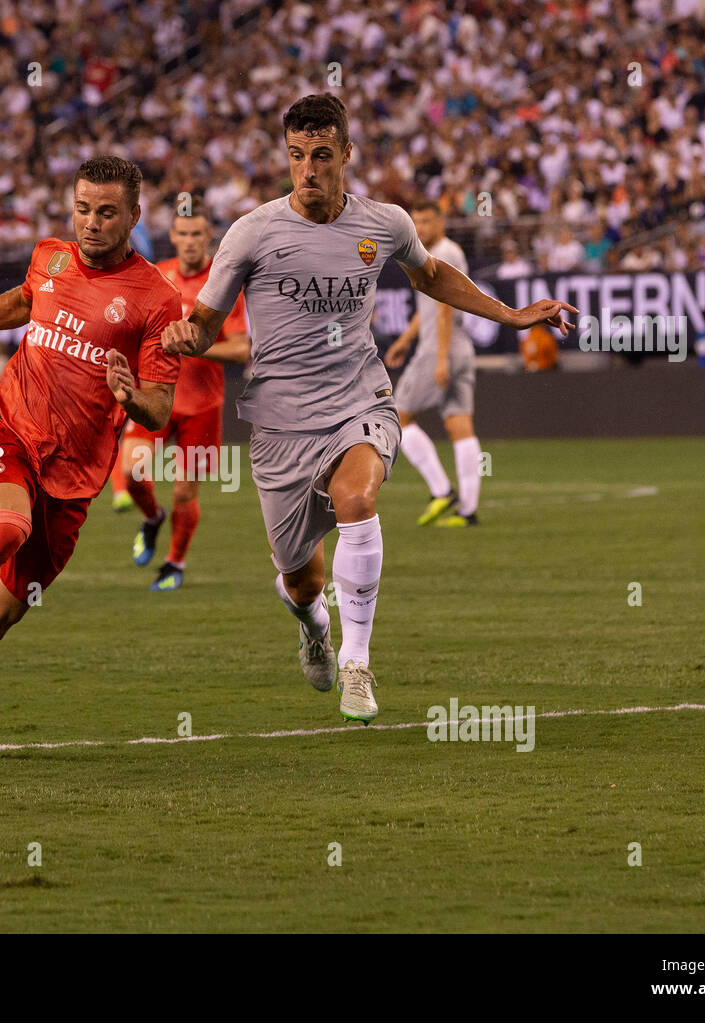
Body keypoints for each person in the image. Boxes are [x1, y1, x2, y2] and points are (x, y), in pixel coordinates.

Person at [162, 94, 575, 724]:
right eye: (297, 156)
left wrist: (513, 315)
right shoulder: (251, 233)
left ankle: (358, 661)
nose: (308, 169)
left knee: (358, 499)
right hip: (278, 422)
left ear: (346, 154)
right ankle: (314, 626)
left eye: (321, 155)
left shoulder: (383, 223)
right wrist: (182, 339)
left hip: (360, 398)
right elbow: (203, 325)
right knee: (300, 581)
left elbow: (431, 275)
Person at [0, 156, 181, 723]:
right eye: (83, 209)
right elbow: (24, 301)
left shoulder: (154, 299)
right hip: (8, 428)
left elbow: (160, 407)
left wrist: (130, 397)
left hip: (75, 476)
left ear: (135, 215)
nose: (91, 223)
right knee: (5, 526)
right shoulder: (50, 256)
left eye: (108, 213)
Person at [122, 200, 249, 591]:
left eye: (198, 234)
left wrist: (195, 345)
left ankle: (174, 564)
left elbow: (241, 350)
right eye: (184, 233)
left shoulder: (224, 284)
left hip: (202, 406)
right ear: (173, 236)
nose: (191, 241)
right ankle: (151, 517)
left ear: (209, 235)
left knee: (183, 491)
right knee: (131, 473)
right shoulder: (158, 277)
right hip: (156, 395)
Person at [385, 200, 482, 528]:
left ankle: (442, 491)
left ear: (440, 222)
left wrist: (440, 358)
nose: (421, 228)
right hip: (459, 349)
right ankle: (467, 512)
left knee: (398, 417)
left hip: (440, 349)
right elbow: (427, 307)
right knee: (459, 424)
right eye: (417, 222)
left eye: (427, 221)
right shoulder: (429, 254)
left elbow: (445, 307)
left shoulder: (445, 252)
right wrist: (405, 339)